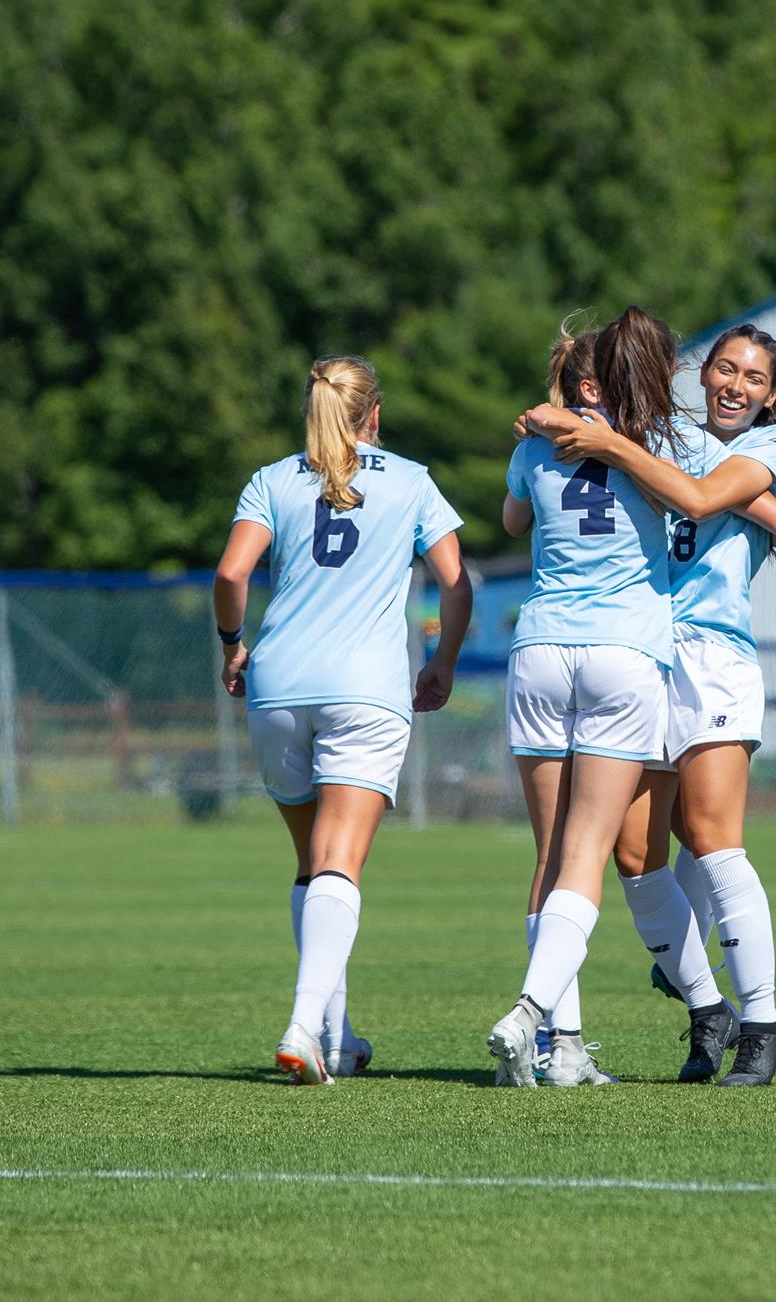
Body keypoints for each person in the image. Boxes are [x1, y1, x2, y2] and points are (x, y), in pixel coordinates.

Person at [524, 322, 776, 1084]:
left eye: (753, 377)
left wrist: (616, 447)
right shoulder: (670, 431)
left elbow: (704, 496)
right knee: (633, 854)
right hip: (641, 652)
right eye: (724, 368)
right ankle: (706, 1007)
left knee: (713, 837)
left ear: (770, 395)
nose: (735, 385)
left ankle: (762, 1024)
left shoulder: (768, 446)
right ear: (702, 374)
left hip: (712, 657)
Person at [485, 305, 736, 1087]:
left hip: (541, 649)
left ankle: (564, 1046)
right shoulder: (666, 441)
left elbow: (512, 514)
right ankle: (533, 1016)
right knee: (591, 856)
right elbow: (702, 498)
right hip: (623, 653)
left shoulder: (536, 444)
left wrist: (549, 428)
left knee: (555, 856)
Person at [213, 355, 472, 1086]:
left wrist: (234, 647)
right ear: (376, 415)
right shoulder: (413, 479)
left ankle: (338, 1032)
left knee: (311, 864)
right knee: (339, 864)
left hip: (279, 686)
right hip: (364, 688)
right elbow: (457, 583)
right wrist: (443, 662)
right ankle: (302, 1026)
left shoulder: (271, 479)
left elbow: (232, 574)